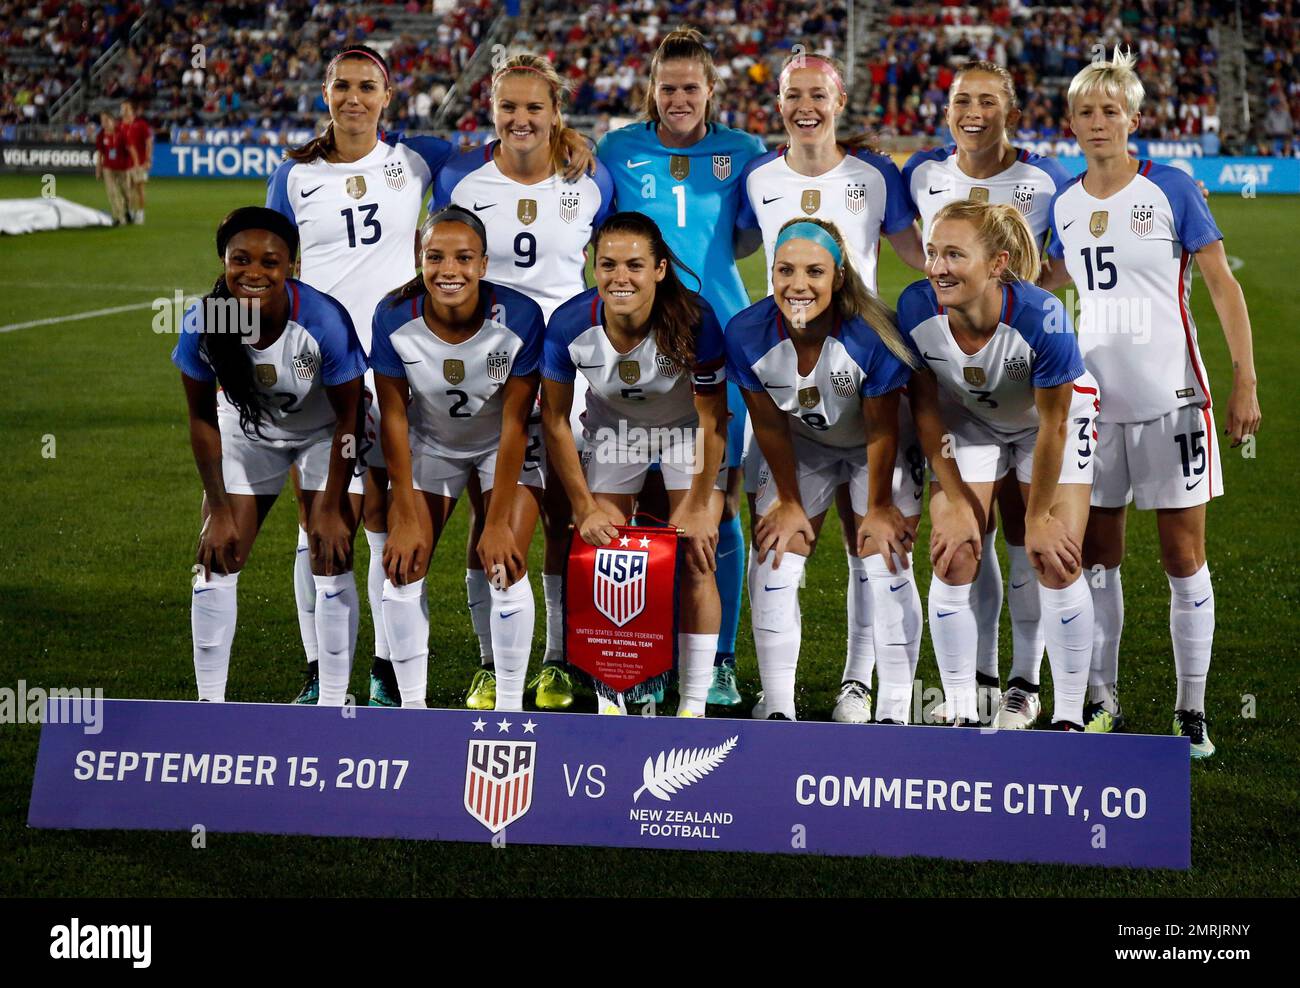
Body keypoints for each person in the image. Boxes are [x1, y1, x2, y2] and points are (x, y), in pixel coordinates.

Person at [1044, 50, 1261, 755]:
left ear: (1133, 119)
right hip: (1092, 407)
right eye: (1086, 112)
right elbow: (1049, 285)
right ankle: (1102, 698)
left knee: (1182, 555)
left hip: (1173, 397)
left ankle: (1190, 709)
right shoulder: (1064, 202)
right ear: (1071, 123)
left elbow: (1222, 285)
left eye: (1111, 110)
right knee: (1097, 556)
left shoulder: (1172, 187)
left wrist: (1244, 381)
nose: (1098, 122)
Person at [736, 51, 925, 724]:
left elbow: (920, 256)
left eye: (818, 93)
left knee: (870, 545)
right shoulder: (758, 175)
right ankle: (778, 701)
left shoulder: (875, 172)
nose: (805, 105)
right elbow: (719, 243)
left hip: (868, 375)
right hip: (788, 382)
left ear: (840, 100)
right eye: (794, 94)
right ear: (778, 102)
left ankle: (861, 684)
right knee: (773, 544)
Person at [267, 45, 454, 707]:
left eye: (367, 87)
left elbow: (506, 149)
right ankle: (322, 670)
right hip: (320, 374)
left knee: (386, 518)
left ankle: (383, 668)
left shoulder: (416, 159)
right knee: (321, 522)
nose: (354, 98)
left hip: (396, 371)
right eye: (342, 86)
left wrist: (566, 146)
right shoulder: (293, 177)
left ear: (387, 95)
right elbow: (271, 272)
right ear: (325, 93)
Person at [431, 53, 614, 713]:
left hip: (571, 375)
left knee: (567, 520)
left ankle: (560, 661)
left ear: (556, 113)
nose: (521, 118)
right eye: (509, 107)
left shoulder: (595, 182)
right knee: (492, 517)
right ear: (494, 112)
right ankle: (489, 663)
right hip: (490, 374)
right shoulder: (463, 181)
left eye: (535, 107)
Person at [598, 28, 768, 708]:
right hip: (637, 350)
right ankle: (649, 653)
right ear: (652, 89)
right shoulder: (617, 150)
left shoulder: (744, 153)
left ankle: (718, 658)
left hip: (717, 341)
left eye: (690, 87)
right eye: (667, 87)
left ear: (710, 91)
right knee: (641, 502)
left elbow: (754, 231)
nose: (678, 99)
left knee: (715, 504)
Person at [901, 60, 1074, 726]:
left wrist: (1014, 306)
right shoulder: (920, 172)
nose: (972, 111)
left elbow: (1064, 256)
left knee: (1023, 528)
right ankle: (973, 676)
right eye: (960, 99)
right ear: (946, 109)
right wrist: (952, 288)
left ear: (1011, 110)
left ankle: (1025, 683)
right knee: (965, 529)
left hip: (1022, 366)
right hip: (959, 380)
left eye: (986, 100)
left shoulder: (1042, 178)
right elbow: (915, 249)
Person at [899, 201, 1099, 729]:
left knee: (1055, 557)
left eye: (954, 255)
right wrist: (958, 502)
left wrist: (1037, 519)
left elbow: (1054, 425)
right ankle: (964, 707)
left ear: (997, 264)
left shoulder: (1044, 318)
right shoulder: (916, 308)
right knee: (955, 551)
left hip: (1047, 424)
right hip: (970, 421)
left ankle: (1065, 716)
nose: (938, 267)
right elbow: (924, 410)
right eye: (933, 253)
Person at [725, 218, 919, 722]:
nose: (798, 284)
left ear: (837, 276)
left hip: (875, 446)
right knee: (773, 556)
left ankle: (884, 703)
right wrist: (787, 502)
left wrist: (878, 508)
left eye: (814, 271)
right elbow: (766, 424)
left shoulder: (871, 335)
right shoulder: (746, 333)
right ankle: (779, 708)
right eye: (785, 270)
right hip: (799, 443)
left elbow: (881, 429)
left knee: (883, 558)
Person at [172, 207, 367, 704]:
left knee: (331, 553)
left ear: (291, 268)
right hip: (249, 430)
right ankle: (208, 707)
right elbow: (201, 418)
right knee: (215, 559)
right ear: (223, 261)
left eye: (270, 262)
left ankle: (334, 703)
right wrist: (217, 509)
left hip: (324, 432)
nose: (254, 272)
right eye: (240, 259)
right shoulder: (205, 320)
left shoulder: (323, 319)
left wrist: (327, 506)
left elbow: (350, 417)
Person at [541, 212, 729, 716]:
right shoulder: (568, 325)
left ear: (660, 270)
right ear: (592, 266)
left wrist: (695, 505)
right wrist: (583, 507)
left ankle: (692, 704)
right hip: (613, 432)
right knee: (605, 554)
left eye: (634, 265)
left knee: (696, 552)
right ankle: (615, 694)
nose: (619, 277)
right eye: (608, 265)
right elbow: (556, 420)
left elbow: (713, 422)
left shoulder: (695, 320)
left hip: (685, 433)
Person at [369, 206, 545, 711]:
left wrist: (496, 521)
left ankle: (509, 709)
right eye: (435, 257)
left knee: (505, 565)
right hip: (432, 444)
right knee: (403, 566)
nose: (449, 270)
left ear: (484, 264)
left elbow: (514, 423)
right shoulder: (391, 316)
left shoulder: (520, 317)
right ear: (418, 260)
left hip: (502, 447)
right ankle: (413, 710)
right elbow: (394, 416)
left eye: (464, 258)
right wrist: (402, 509)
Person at [120, 100, 153, 225]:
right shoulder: (121, 126)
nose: (123, 110)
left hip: (139, 163)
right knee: (127, 190)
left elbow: (149, 142)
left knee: (139, 188)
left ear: (132, 110)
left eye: (126, 108)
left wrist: (148, 159)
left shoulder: (141, 125)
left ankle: (140, 212)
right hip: (125, 164)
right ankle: (130, 212)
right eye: (122, 108)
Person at [94, 112, 130, 226]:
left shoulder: (122, 132)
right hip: (108, 168)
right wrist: (98, 168)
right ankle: (119, 217)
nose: (103, 123)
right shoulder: (100, 135)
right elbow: (100, 153)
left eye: (106, 120)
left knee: (126, 193)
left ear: (112, 121)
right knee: (112, 193)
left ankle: (127, 210)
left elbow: (129, 150)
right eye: (102, 121)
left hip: (123, 168)